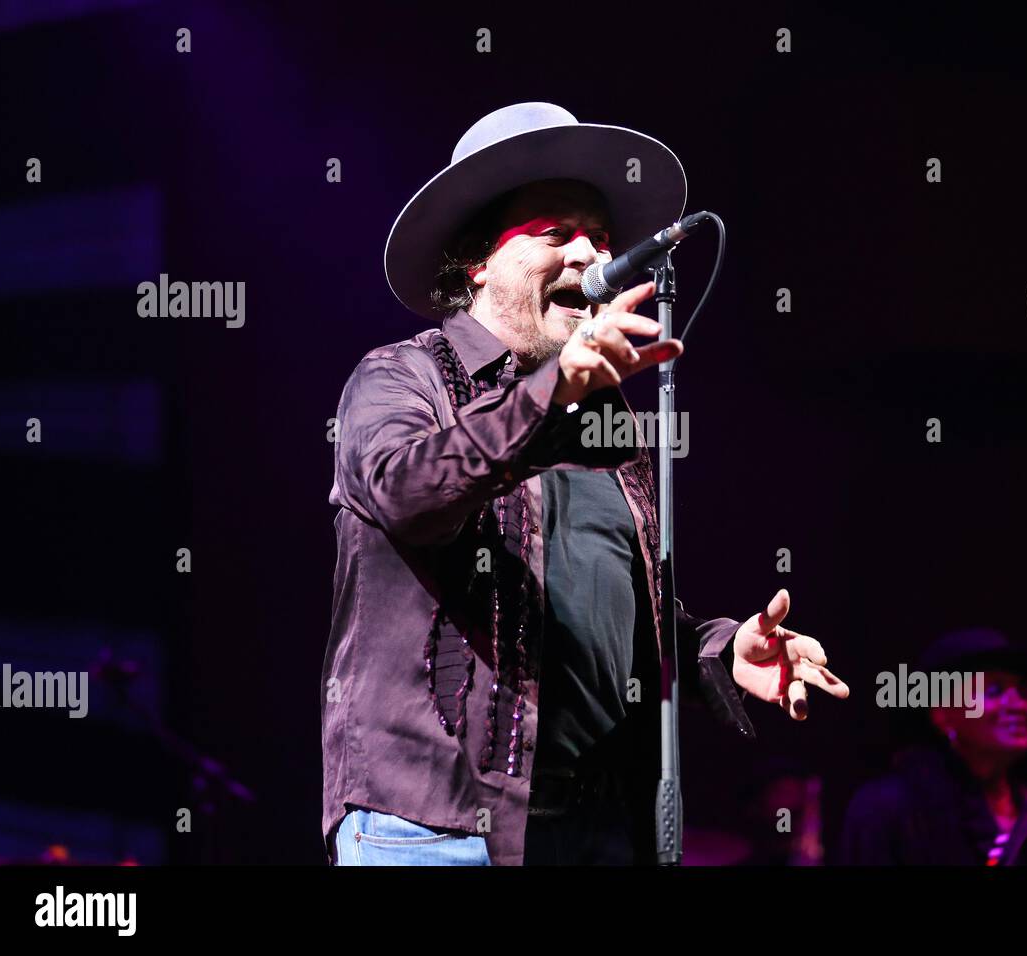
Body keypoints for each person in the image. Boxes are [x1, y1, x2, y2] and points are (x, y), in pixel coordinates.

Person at [320, 103, 849, 866]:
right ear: (477, 260)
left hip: (594, 829)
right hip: (437, 826)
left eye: (600, 238)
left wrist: (723, 653)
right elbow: (407, 494)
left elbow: (624, 620)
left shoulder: (610, 421)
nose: (589, 254)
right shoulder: (402, 377)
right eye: (554, 233)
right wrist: (548, 394)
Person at [839, 628, 1027, 865]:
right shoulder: (887, 810)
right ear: (941, 714)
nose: (1020, 705)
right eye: (994, 690)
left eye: (1024, 692)